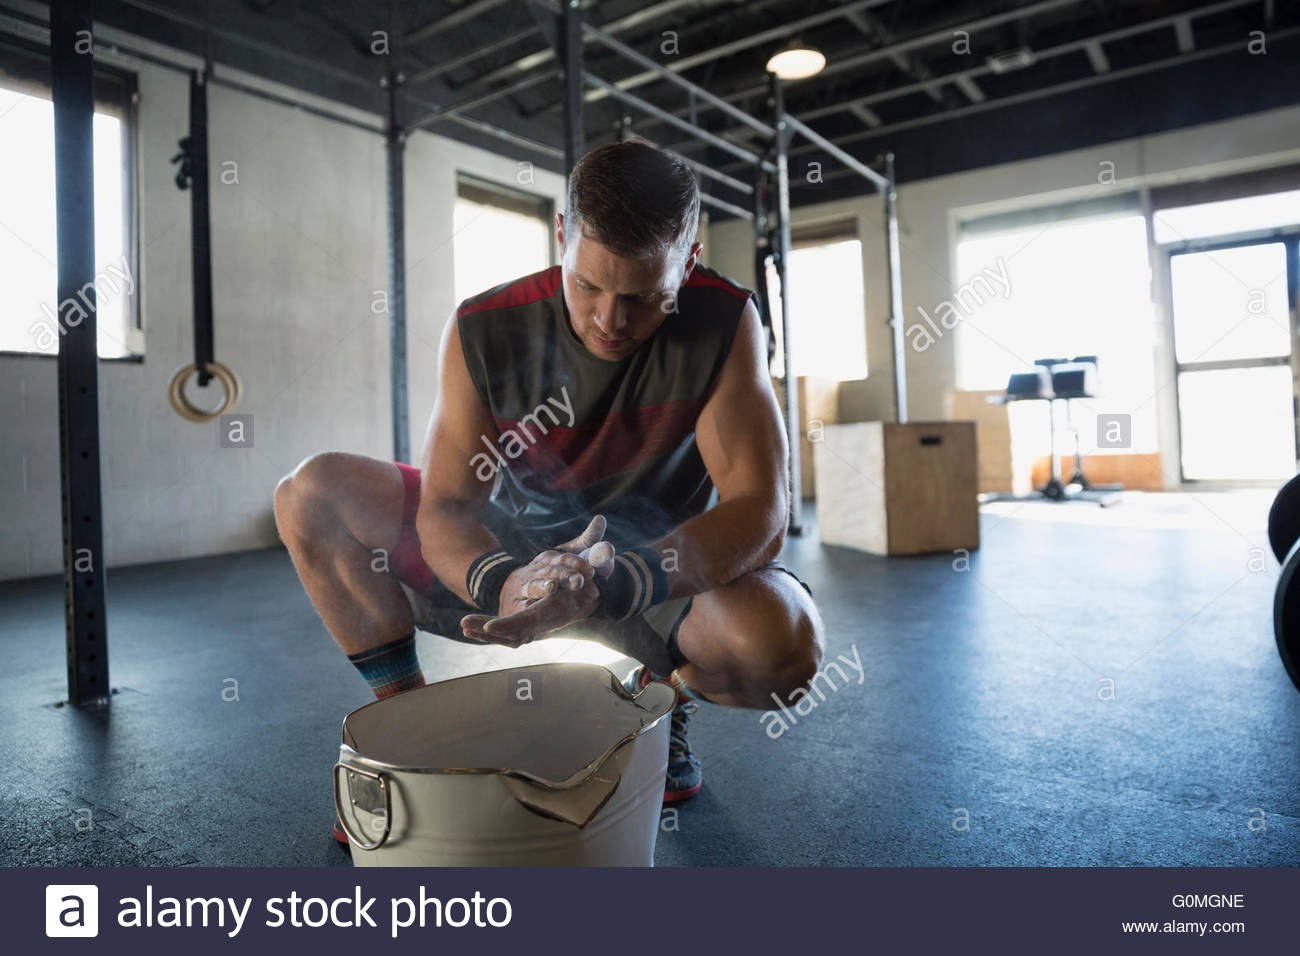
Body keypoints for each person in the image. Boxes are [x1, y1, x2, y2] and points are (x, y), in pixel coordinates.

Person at [273, 139, 824, 844]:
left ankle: (657, 720)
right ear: (563, 238)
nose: (609, 321)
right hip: (518, 547)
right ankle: (414, 736)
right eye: (588, 287)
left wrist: (622, 580)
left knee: (784, 645)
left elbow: (761, 509)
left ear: (685, 266)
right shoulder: (484, 325)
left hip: (654, 568)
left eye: (641, 299)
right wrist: (502, 581)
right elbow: (446, 506)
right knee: (311, 492)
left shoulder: (724, 320)